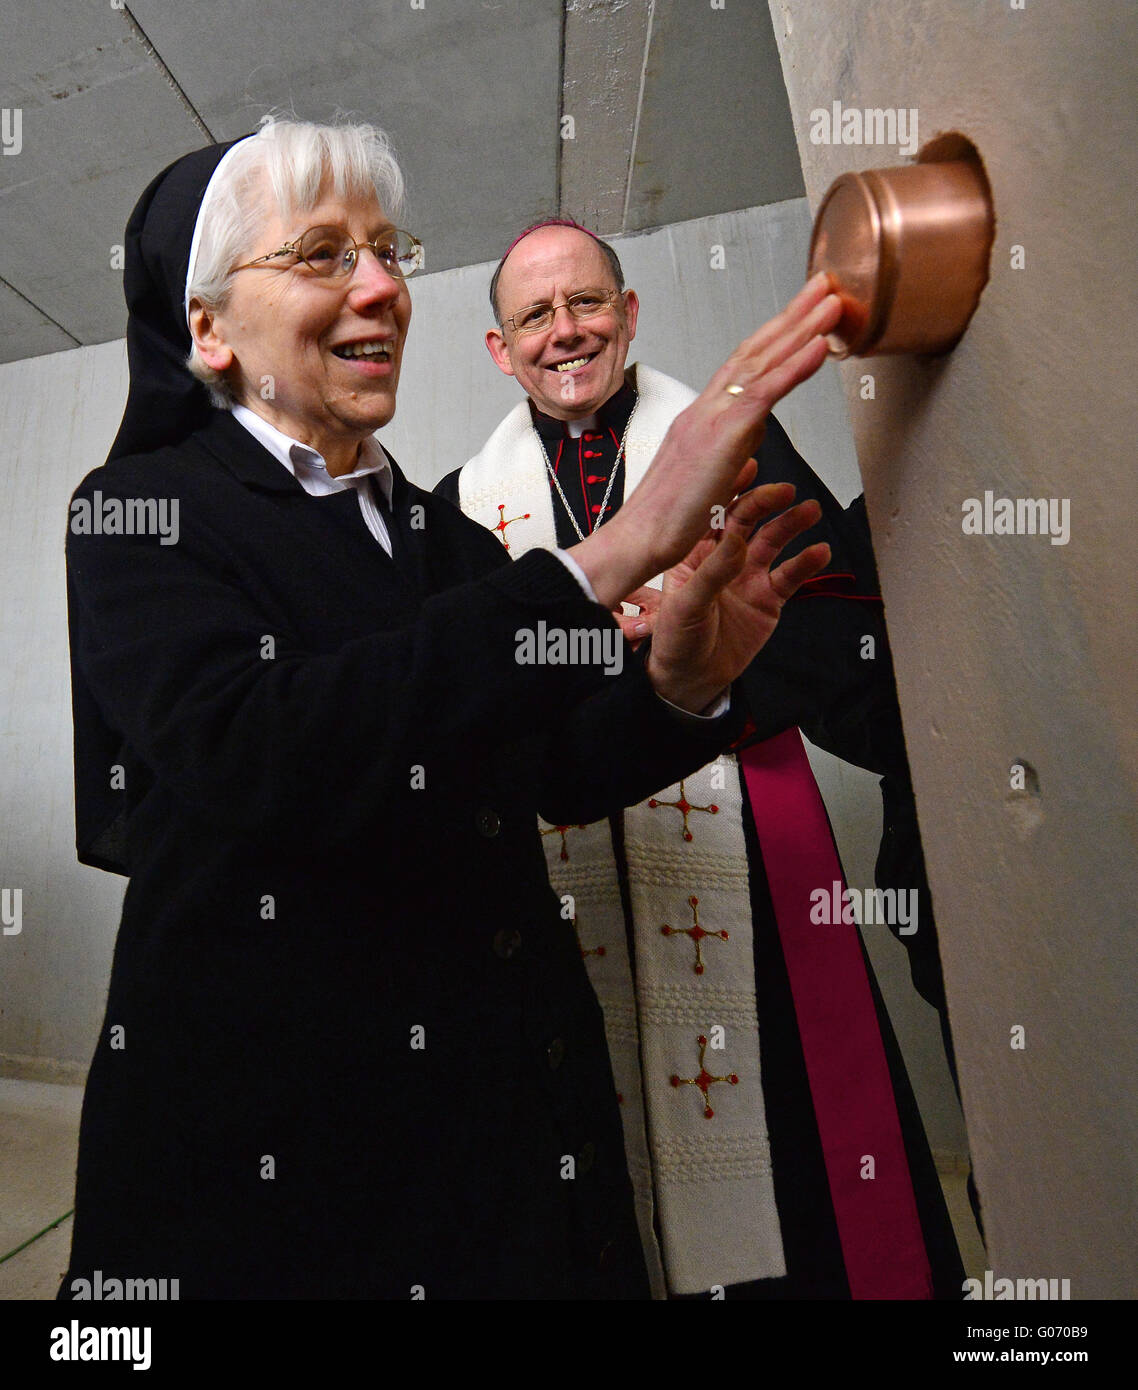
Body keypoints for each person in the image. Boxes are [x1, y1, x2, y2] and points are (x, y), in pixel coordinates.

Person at [60, 120, 843, 1300]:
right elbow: (259, 748)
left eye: (386, 247)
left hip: (511, 1124)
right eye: (322, 254)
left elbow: (548, 769)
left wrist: (682, 682)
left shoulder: (449, 535)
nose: (383, 285)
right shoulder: (135, 512)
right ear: (209, 329)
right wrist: (619, 550)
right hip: (290, 1154)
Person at [436, 219, 965, 1298]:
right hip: (573, 865)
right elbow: (476, 710)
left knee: (794, 1153)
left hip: (749, 852)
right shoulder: (460, 508)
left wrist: (711, 646)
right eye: (534, 315)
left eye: (587, 303)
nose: (565, 331)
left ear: (629, 316)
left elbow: (844, 630)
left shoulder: (735, 440)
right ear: (500, 349)